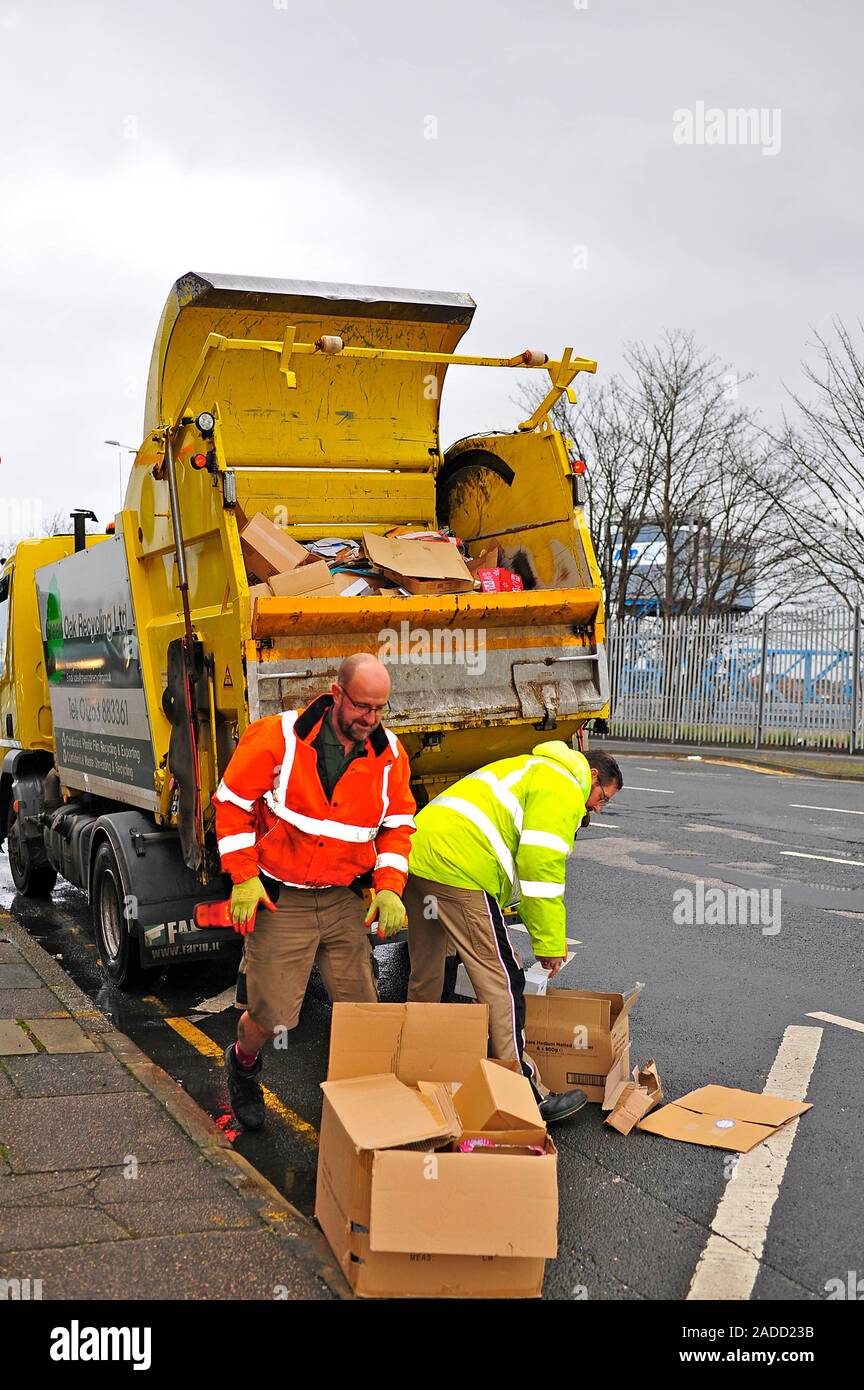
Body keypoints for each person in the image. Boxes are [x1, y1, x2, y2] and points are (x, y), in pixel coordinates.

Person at [214, 653, 415, 1130]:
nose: (371, 718)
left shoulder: (389, 757)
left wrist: (389, 888)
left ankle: (358, 1116)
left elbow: (398, 825)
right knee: (273, 1017)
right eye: (363, 706)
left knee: (361, 1012)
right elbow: (232, 805)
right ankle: (242, 1063)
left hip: (345, 898)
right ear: (337, 693)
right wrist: (243, 875)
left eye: (380, 709)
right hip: (283, 898)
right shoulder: (277, 737)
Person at [404, 742, 623, 1124]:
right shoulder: (564, 785)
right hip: (460, 869)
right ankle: (522, 1091)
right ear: (590, 776)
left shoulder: (533, 769)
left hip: (420, 857)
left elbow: (519, 868)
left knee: (428, 969)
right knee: (503, 978)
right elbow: (540, 871)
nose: (598, 808)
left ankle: (415, 1064)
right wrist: (549, 945)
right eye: (602, 797)